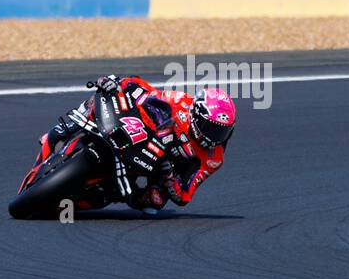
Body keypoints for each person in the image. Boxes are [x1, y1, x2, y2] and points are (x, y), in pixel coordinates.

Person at [33, 75, 236, 209]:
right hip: (141, 137)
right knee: (64, 127)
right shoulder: (181, 102)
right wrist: (118, 83)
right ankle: (55, 140)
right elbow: (146, 93)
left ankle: (105, 196)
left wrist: (168, 175)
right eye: (212, 128)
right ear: (197, 114)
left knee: (154, 203)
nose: (215, 136)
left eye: (222, 131)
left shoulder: (213, 159)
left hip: (155, 169)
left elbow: (184, 195)